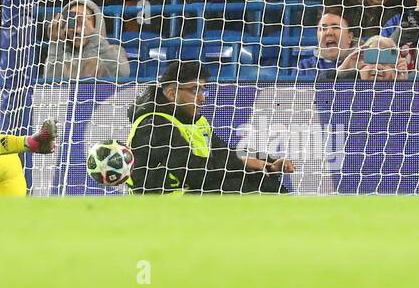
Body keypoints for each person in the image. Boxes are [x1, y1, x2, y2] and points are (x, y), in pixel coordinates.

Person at [126, 60, 294, 194]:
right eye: (194, 90)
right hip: (164, 202)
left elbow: (224, 153)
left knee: (263, 180)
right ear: (172, 93)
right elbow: (192, 172)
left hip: (192, 191)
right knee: (240, 185)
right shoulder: (154, 124)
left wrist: (267, 162)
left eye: (203, 91)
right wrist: (243, 164)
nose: (202, 98)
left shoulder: (196, 121)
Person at [40, 0, 130, 80]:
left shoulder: (114, 51)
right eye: (72, 20)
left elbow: (123, 75)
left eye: (85, 20)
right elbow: (51, 85)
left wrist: (93, 34)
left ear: (97, 23)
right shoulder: (61, 57)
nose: (78, 27)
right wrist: (55, 43)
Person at [296, 7, 355, 77]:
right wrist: (337, 74)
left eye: (336, 27)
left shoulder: (361, 64)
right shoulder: (304, 67)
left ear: (349, 37)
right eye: (323, 28)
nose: (329, 32)